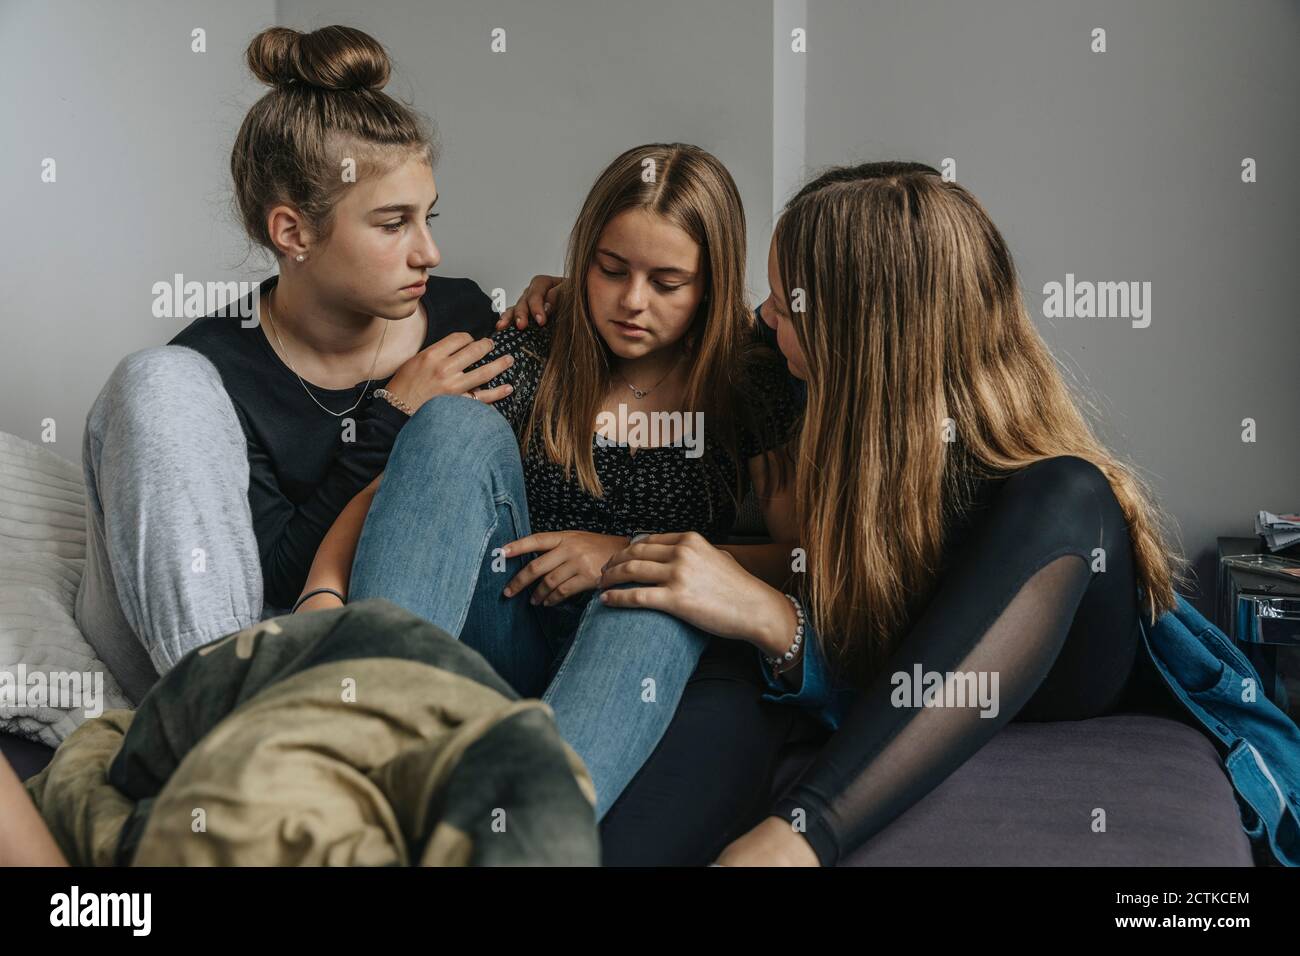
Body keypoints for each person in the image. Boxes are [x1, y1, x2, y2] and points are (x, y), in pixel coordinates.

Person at [585, 161, 1187, 865]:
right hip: (851, 663)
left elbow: (926, 659)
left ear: (852, 332)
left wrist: (776, 618)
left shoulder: (1050, 500)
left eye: (784, 302)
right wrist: (569, 303)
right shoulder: (792, 366)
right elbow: (677, 318)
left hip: (1054, 674)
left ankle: (793, 842)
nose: (763, 313)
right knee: (696, 643)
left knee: (1072, 491)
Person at [302, 143, 803, 820]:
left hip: (630, 658)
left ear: (711, 283)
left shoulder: (748, 380)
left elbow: (799, 561)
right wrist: (322, 591)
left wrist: (625, 554)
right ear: (582, 259)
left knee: (655, 594)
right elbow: (413, 485)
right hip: (508, 631)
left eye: (667, 283)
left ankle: (516, 831)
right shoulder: (534, 343)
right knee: (451, 421)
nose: (631, 302)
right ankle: (367, 738)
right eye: (611, 270)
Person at [74, 25, 520, 705]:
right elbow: (275, 578)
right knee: (154, 381)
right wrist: (392, 417)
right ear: (294, 232)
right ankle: (231, 715)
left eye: (429, 217)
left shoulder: (462, 317)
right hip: (237, 638)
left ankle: (276, 729)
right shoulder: (217, 366)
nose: (428, 251)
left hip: (393, 642)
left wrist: (574, 304)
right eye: (394, 224)